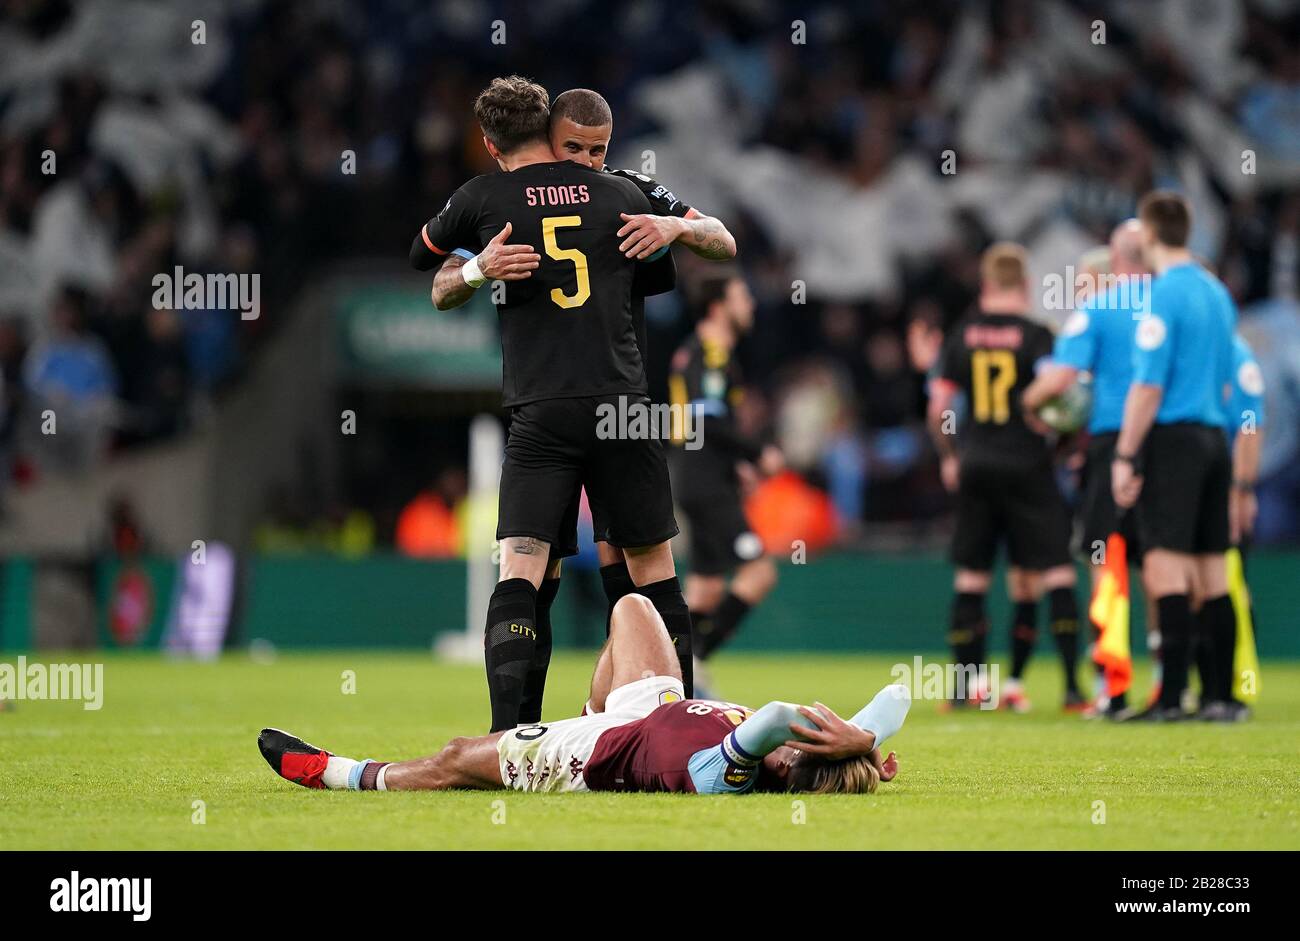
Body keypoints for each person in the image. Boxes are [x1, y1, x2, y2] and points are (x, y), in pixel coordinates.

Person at [408, 77, 691, 731]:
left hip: (542, 408)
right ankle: (673, 725)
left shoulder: (484, 197)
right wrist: (679, 224)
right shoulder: (626, 193)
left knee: (525, 567)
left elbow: (426, 268)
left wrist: (478, 268)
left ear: (488, 142)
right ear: (551, 134)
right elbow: (677, 266)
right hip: (623, 403)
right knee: (649, 568)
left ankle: (511, 737)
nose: (589, 159)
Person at [259, 593, 910, 795]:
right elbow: (899, 692)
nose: (801, 739)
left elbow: (773, 718)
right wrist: (865, 735)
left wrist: (856, 738)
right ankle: (585, 709)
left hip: (599, 752)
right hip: (646, 712)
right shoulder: (802, 751)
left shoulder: (731, 774)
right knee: (631, 607)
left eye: (800, 749)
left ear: (792, 766)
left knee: (458, 756)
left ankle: (335, 773)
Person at [927, 243, 1083, 712]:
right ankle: (1074, 688)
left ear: (986, 284)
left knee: (971, 577)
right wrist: (1061, 445)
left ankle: (961, 691)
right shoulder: (1037, 335)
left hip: (976, 462)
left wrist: (950, 455)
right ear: (1026, 285)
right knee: (1053, 569)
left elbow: (939, 407)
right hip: (1028, 463)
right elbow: (1064, 402)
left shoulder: (963, 333)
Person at [1111, 191, 1236, 722]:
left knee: (1165, 567)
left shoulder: (1162, 296)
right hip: (1215, 438)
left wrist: (1124, 454)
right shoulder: (1217, 291)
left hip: (1175, 440)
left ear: (1152, 233)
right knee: (1213, 572)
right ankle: (1220, 698)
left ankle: (1170, 698)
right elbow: (1228, 382)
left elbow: (1147, 387)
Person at [1023, 220, 1153, 717]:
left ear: (1109, 270)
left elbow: (1060, 380)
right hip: (1161, 447)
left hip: (1111, 447)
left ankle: (1112, 683)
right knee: (1162, 563)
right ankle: (1177, 679)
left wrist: (1029, 404)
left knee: (1106, 561)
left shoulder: (1097, 313)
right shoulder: (1168, 304)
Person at [668, 275, 783, 674]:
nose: (749, 304)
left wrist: (735, 464)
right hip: (706, 484)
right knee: (760, 571)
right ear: (718, 306)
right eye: (742, 296)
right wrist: (758, 453)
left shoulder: (695, 352)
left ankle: (677, 673)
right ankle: (693, 665)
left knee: (706, 586)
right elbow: (707, 418)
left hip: (697, 476)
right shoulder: (711, 354)